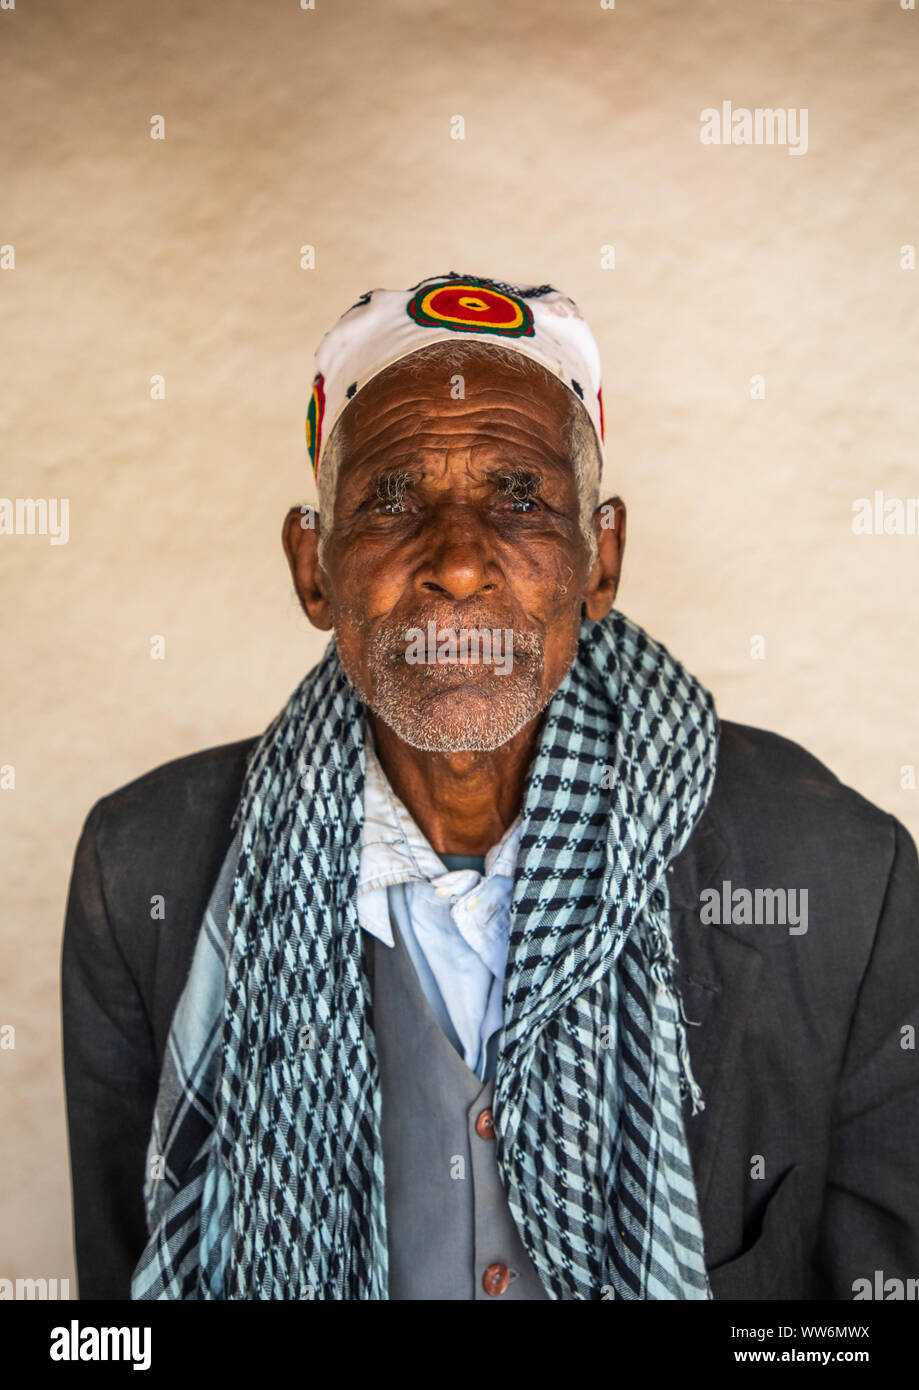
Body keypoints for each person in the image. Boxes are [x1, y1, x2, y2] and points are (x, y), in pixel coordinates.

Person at [62, 272, 919, 1301]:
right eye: (391, 497)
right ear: (315, 567)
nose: (459, 562)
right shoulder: (142, 870)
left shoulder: (836, 876)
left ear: (599, 560)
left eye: (518, 497)